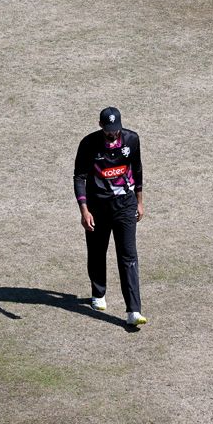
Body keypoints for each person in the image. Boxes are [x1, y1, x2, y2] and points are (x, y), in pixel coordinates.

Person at [73, 106, 146, 328]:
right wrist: (84, 210)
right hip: (97, 206)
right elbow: (79, 177)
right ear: (100, 126)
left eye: (115, 129)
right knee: (97, 251)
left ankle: (133, 310)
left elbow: (138, 169)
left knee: (128, 256)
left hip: (125, 204)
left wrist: (140, 201)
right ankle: (98, 292)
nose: (112, 134)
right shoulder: (88, 144)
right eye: (108, 130)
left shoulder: (132, 140)